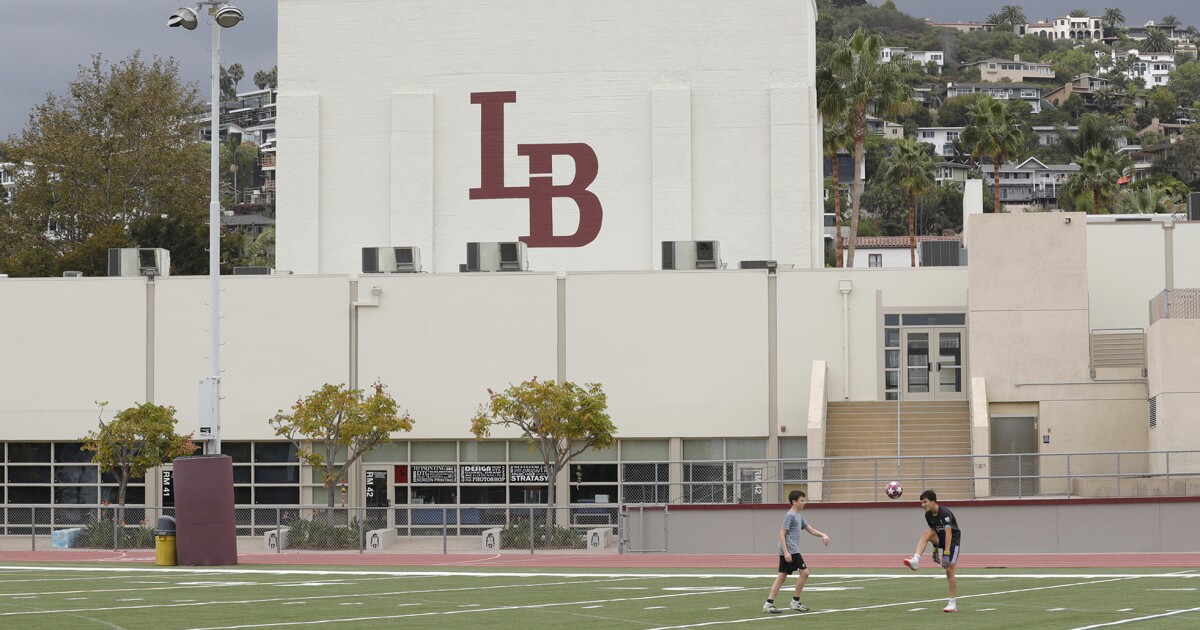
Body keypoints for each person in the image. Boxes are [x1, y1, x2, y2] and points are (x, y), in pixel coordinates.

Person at [763, 490, 830, 614]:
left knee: (782, 576)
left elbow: (811, 530)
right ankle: (795, 602)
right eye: (802, 501)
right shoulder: (790, 515)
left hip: (791, 549)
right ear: (794, 502)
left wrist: (823, 535)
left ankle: (768, 604)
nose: (804, 503)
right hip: (791, 550)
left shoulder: (799, 516)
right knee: (805, 573)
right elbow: (782, 534)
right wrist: (786, 552)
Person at [902, 489, 961, 613]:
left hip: (952, 541)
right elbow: (933, 531)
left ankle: (952, 603)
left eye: (925, 502)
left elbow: (949, 534)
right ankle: (915, 560)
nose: (922, 505)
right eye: (922, 502)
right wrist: (935, 551)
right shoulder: (928, 515)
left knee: (949, 570)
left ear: (933, 501)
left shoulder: (944, 513)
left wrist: (946, 554)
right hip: (940, 538)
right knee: (926, 533)